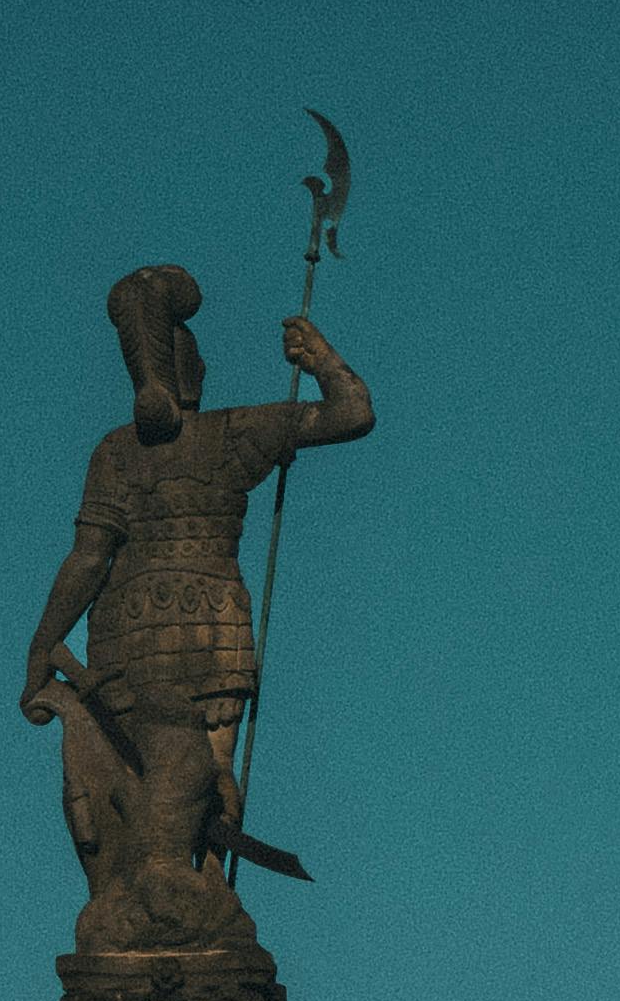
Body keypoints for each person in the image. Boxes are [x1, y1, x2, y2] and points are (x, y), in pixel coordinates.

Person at [22, 266, 370, 920]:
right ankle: (182, 879)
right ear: (191, 373)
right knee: (203, 769)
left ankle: (175, 887)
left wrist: (43, 641)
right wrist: (319, 357)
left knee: (149, 770)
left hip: (130, 631)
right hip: (210, 629)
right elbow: (352, 410)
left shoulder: (117, 452)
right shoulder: (233, 434)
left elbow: (88, 555)